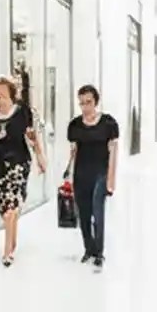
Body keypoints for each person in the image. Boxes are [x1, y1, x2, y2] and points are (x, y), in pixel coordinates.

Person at [0, 74, 46, 267]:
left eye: (2, 92)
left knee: (11, 208)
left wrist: (40, 157)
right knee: (6, 210)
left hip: (18, 161)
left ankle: (7, 251)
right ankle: (12, 239)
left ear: (11, 92)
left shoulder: (22, 111)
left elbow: (32, 136)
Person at [66, 85, 118, 271]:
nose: (85, 106)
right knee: (84, 214)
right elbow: (74, 152)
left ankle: (99, 251)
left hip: (101, 173)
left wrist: (112, 178)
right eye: (82, 103)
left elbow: (113, 151)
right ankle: (88, 248)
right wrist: (69, 176)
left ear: (96, 101)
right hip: (81, 173)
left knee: (98, 210)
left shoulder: (108, 123)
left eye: (88, 102)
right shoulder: (75, 125)